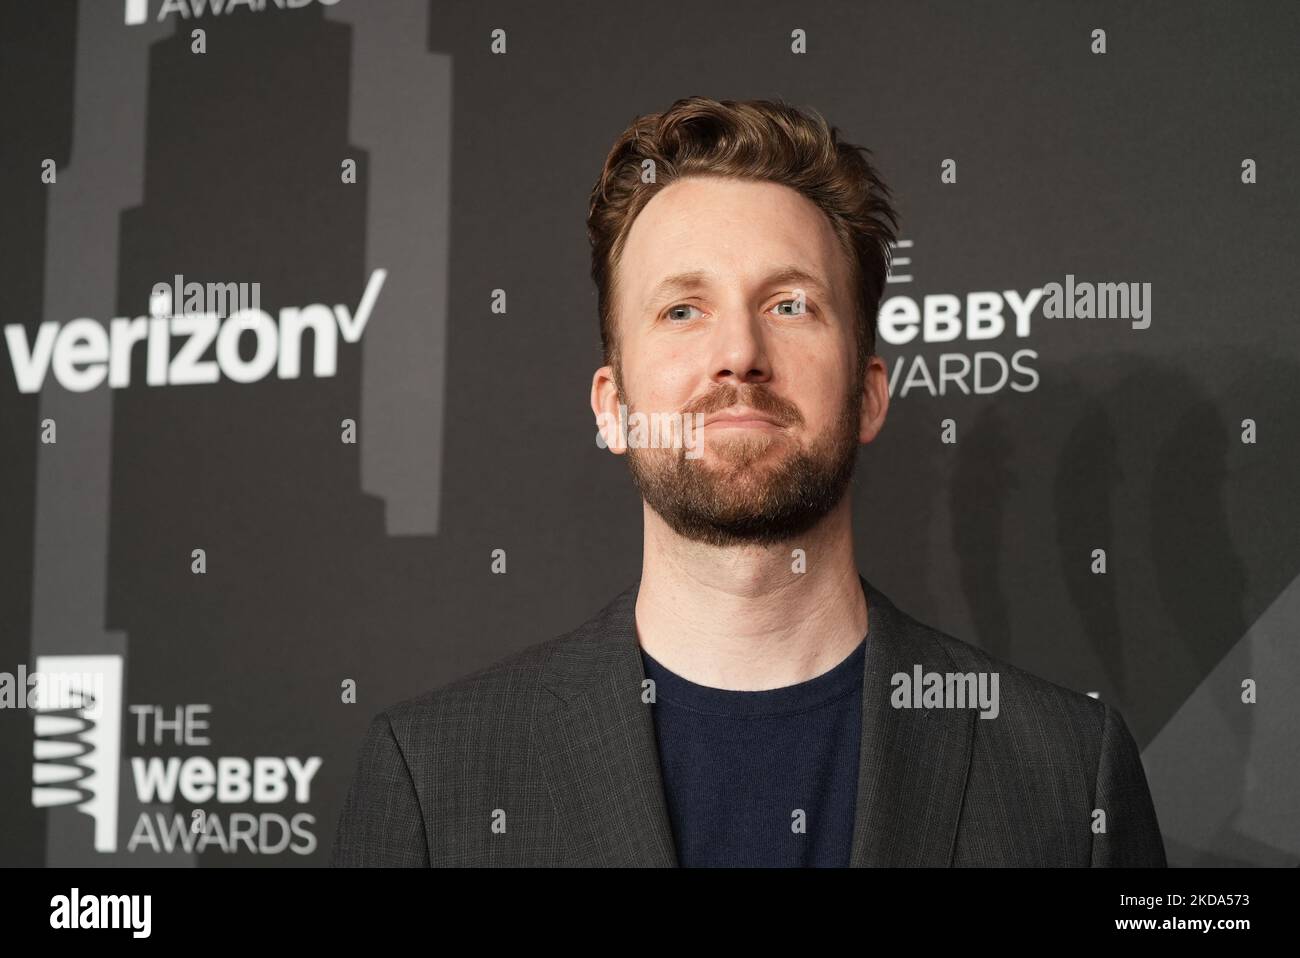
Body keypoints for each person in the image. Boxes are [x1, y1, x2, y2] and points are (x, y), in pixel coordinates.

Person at [331, 95, 1166, 867]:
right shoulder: (434, 777)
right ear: (612, 407)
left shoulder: (1065, 769)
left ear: (869, 393)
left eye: (791, 304)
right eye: (682, 310)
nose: (740, 353)